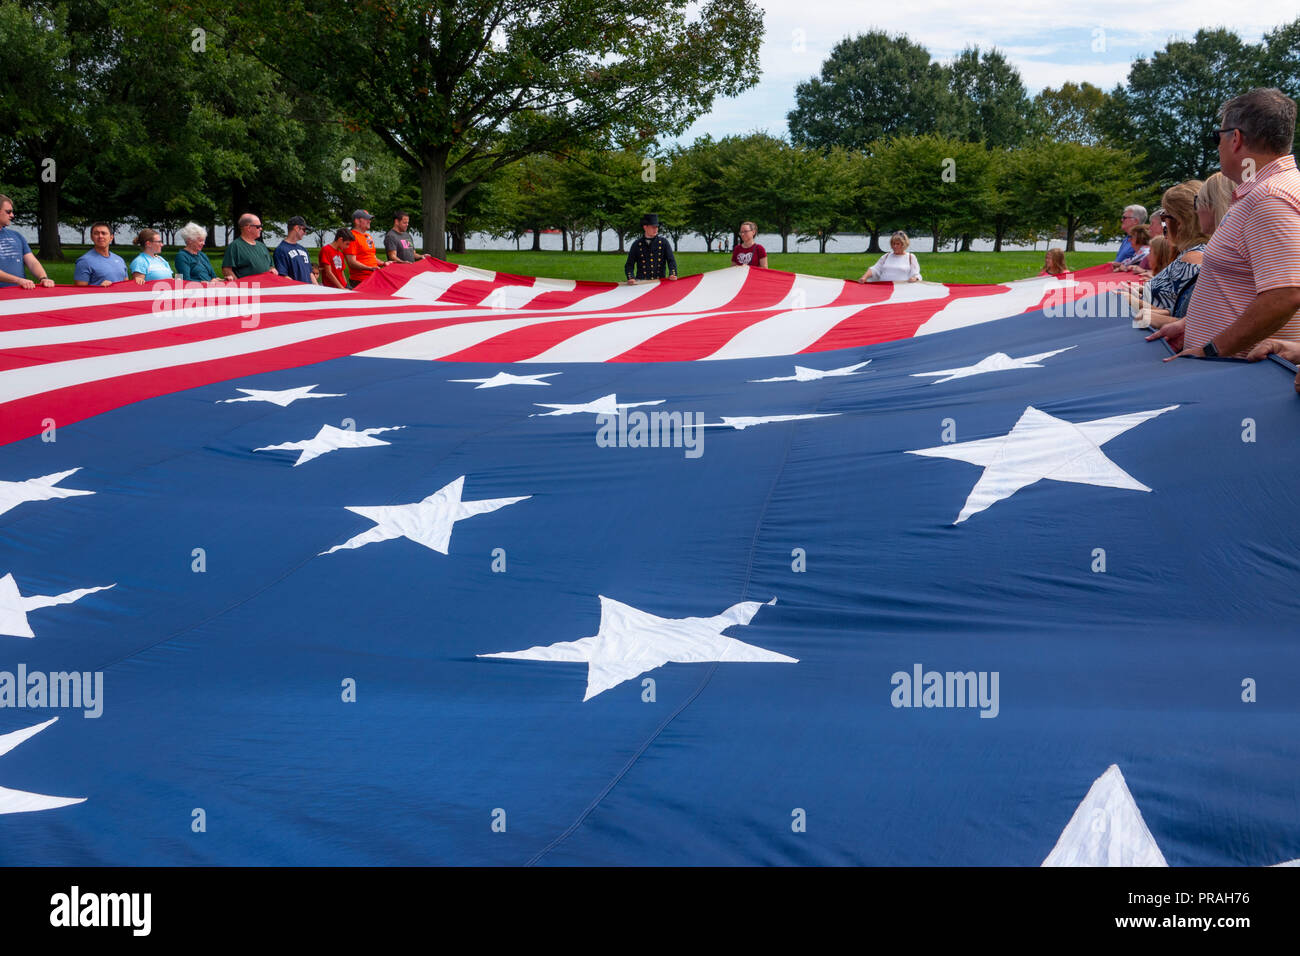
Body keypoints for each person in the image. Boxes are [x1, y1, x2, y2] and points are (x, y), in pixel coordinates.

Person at [1151, 88, 1300, 359]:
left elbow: (1285, 295)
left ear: (1236, 139)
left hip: (1237, 376)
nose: (1217, 146)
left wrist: (1214, 348)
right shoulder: (1269, 191)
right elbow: (1241, 287)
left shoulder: (1269, 198)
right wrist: (1191, 325)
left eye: (1217, 137)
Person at [1125, 181, 1207, 326]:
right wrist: (1141, 291)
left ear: (1180, 222)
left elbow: (1178, 314)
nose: (1164, 225)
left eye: (1164, 218)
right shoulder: (1190, 253)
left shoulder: (1192, 259)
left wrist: (1131, 300)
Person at [0, 194, 55, 289]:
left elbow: (32, 262)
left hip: (18, 295)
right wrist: (18, 280)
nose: (12, 215)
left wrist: (43, 278)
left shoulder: (17, 236)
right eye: (8, 212)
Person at [624, 214, 678, 284]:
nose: (656, 229)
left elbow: (671, 261)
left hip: (659, 282)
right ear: (645, 227)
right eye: (653, 227)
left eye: (657, 227)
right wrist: (631, 277)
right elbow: (629, 264)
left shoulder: (663, 243)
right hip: (641, 282)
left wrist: (672, 274)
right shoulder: (637, 244)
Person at [222, 213, 277, 279]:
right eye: (258, 226)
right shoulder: (234, 247)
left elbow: (271, 266)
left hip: (266, 286)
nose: (261, 229)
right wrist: (239, 285)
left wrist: (272, 270)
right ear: (249, 228)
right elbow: (227, 270)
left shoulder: (262, 246)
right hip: (248, 288)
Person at [74, 221, 129, 286]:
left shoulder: (120, 260)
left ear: (111, 237)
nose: (100, 236)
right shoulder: (84, 261)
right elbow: (80, 292)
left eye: (104, 233)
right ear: (92, 237)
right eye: (96, 233)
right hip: (99, 296)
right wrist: (99, 288)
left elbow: (126, 285)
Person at [344, 209, 385, 287]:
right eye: (366, 219)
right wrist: (370, 268)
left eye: (369, 219)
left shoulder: (368, 236)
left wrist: (384, 263)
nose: (369, 221)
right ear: (357, 221)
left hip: (373, 277)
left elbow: (372, 257)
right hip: (360, 280)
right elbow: (352, 262)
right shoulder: (351, 237)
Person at [273, 216, 315, 283]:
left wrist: (317, 288)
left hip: (308, 291)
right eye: (304, 230)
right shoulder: (281, 250)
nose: (305, 233)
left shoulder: (304, 250)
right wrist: (300, 289)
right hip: (295, 292)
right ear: (296, 228)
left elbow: (310, 273)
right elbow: (283, 276)